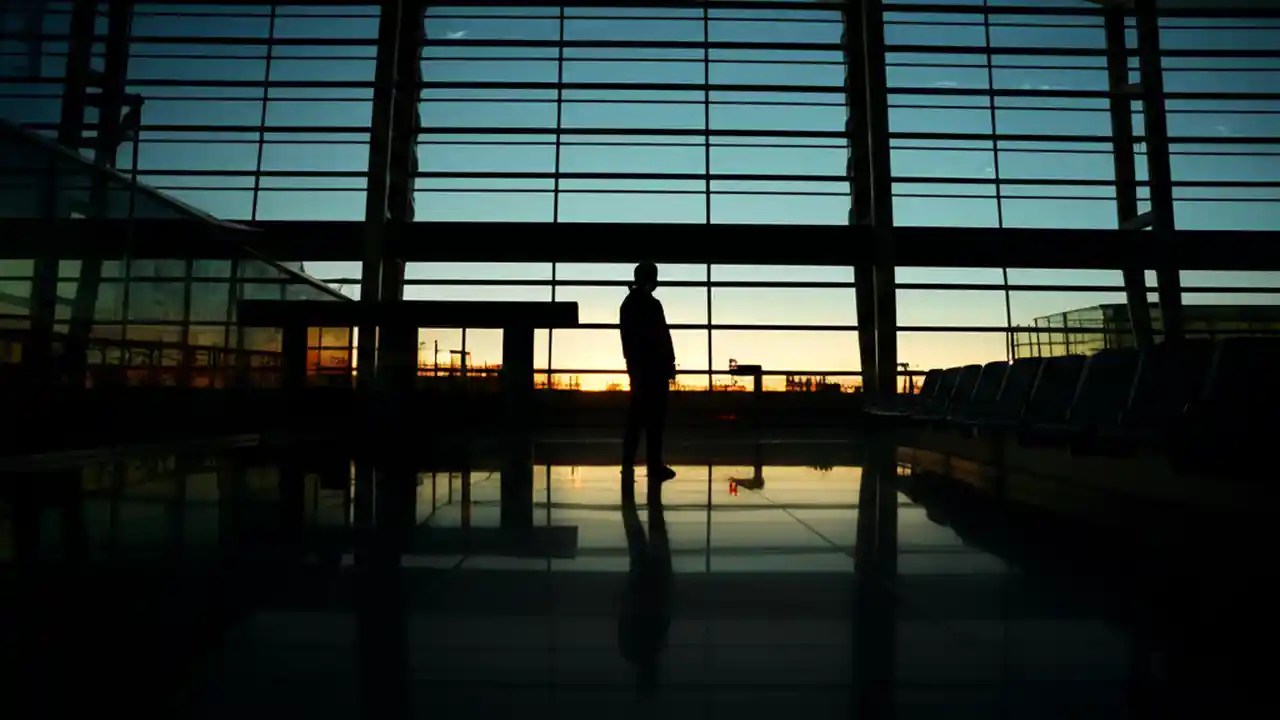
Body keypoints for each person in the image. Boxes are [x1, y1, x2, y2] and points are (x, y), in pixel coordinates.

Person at [620, 261, 676, 482]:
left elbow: (629, 341)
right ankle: (654, 465)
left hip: (641, 369)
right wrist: (668, 362)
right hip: (653, 369)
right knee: (654, 420)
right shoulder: (651, 305)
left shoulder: (629, 304)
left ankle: (629, 462)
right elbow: (662, 336)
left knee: (637, 418)